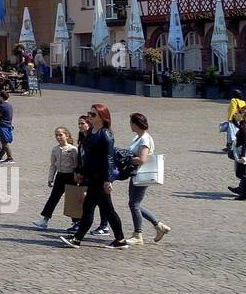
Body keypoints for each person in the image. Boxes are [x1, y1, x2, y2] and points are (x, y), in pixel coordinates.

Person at [61, 104, 129, 249]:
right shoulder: (92, 131)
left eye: (93, 115)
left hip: (100, 178)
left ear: (102, 117)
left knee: (91, 207)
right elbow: (87, 156)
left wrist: (107, 180)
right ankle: (120, 239)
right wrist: (81, 171)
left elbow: (108, 159)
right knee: (105, 209)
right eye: (89, 113)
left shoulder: (105, 134)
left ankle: (77, 239)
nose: (89, 117)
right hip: (91, 176)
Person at [123, 113, 170, 245]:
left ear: (135, 124)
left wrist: (127, 159)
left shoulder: (145, 139)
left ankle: (138, 235)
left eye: (131, 122)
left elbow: (142, 159)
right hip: (135, 174)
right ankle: (158, 226)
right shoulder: (137, 138)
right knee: (134, 204)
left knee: (134, 204)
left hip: (142, 174)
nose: (130, 125)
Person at [33, 126, 79, 229]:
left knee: (72, 200)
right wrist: (50, 178)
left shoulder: (73, 149)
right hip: (60, 176)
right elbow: (53, 165)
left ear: (66, 136)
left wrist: (76, 176)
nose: (58, 137)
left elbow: (76, 164)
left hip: (71, 176)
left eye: (60, 135)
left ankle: (76, 222)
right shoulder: (55, 149)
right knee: (53, 198)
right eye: (56, 135)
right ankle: (45, 220)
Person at [0, 91, 15, 164]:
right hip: (8, 125)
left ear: (2, 97)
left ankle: (10, 158)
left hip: (2, 126)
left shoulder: (2, 106)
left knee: (4, 143)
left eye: (0, 97)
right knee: (3, 141)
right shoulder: (10, 105)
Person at [223, 88, 246, 153]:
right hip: (240, 117)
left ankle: (229, 146)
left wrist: (230, 118)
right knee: (237, 131)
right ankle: (237, 145)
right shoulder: (243, 101)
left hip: (234, 117)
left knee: (230, 132)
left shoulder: (233, 100)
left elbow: (233, 109)